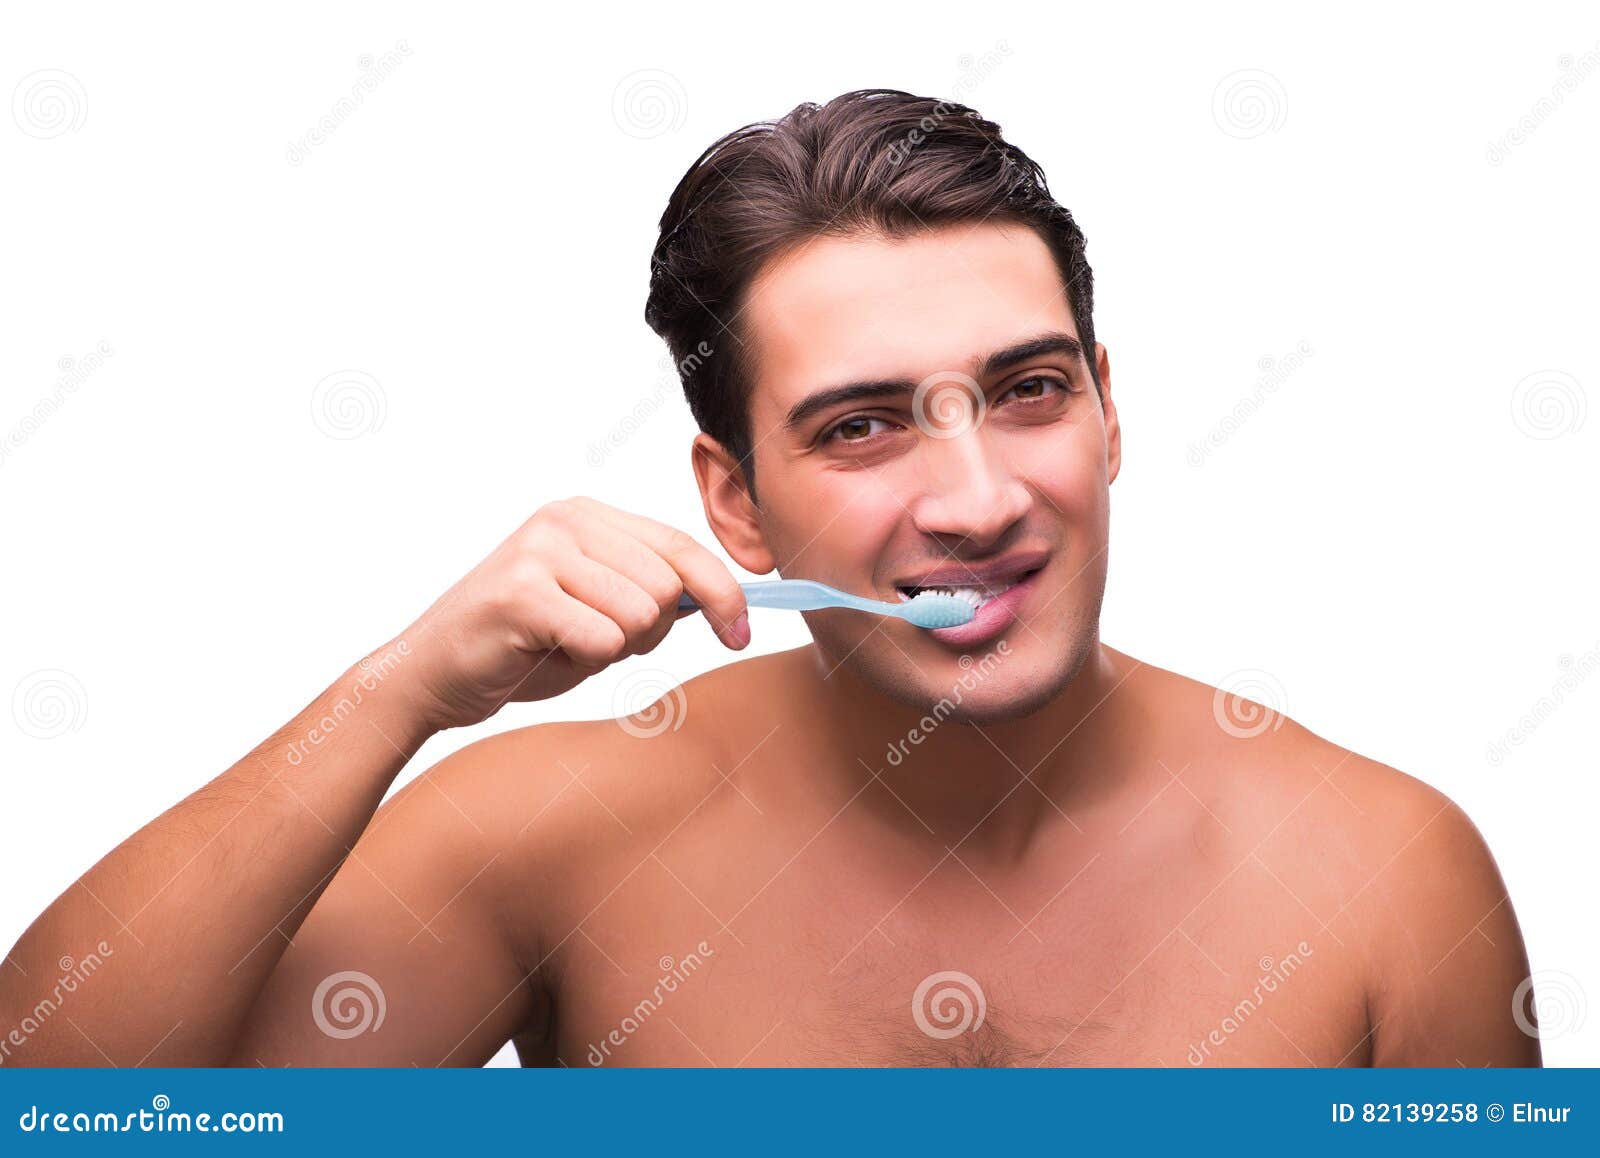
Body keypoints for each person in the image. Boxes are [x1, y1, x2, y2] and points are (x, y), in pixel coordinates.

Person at [0, 90, 1539, 1067]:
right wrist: (395, 692)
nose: (981, 499)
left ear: (1112, 413)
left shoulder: (1384, 874)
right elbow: (59, 1108)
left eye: (1029, 390)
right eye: (862, 426)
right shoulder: (553, 835)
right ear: (735, 502)